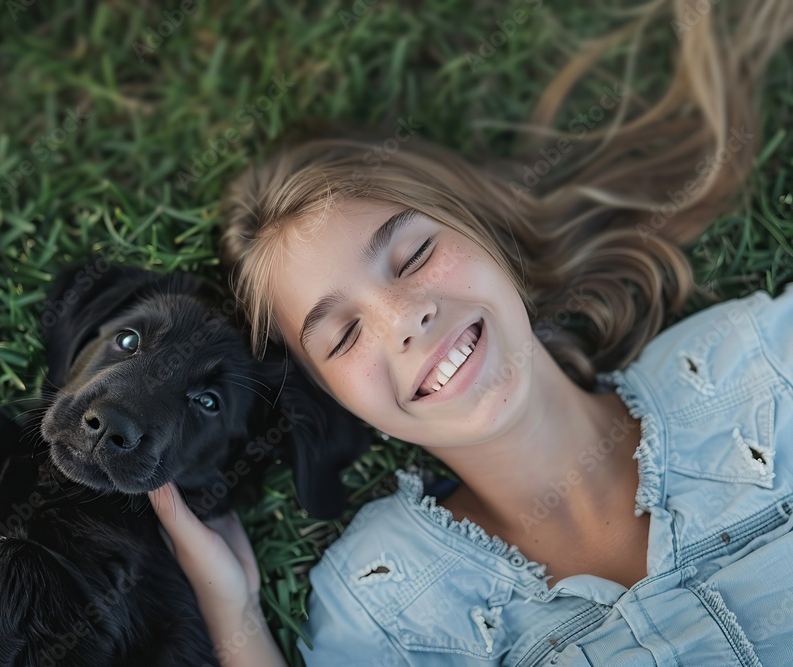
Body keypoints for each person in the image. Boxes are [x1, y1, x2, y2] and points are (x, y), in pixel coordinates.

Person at [149, 0, 793, 664]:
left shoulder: (758, 369)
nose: (404, 319)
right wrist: (234, 616)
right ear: (335, 397)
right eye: (343, 337)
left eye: (415, 255)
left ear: (483, 229)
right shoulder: (385, 608)